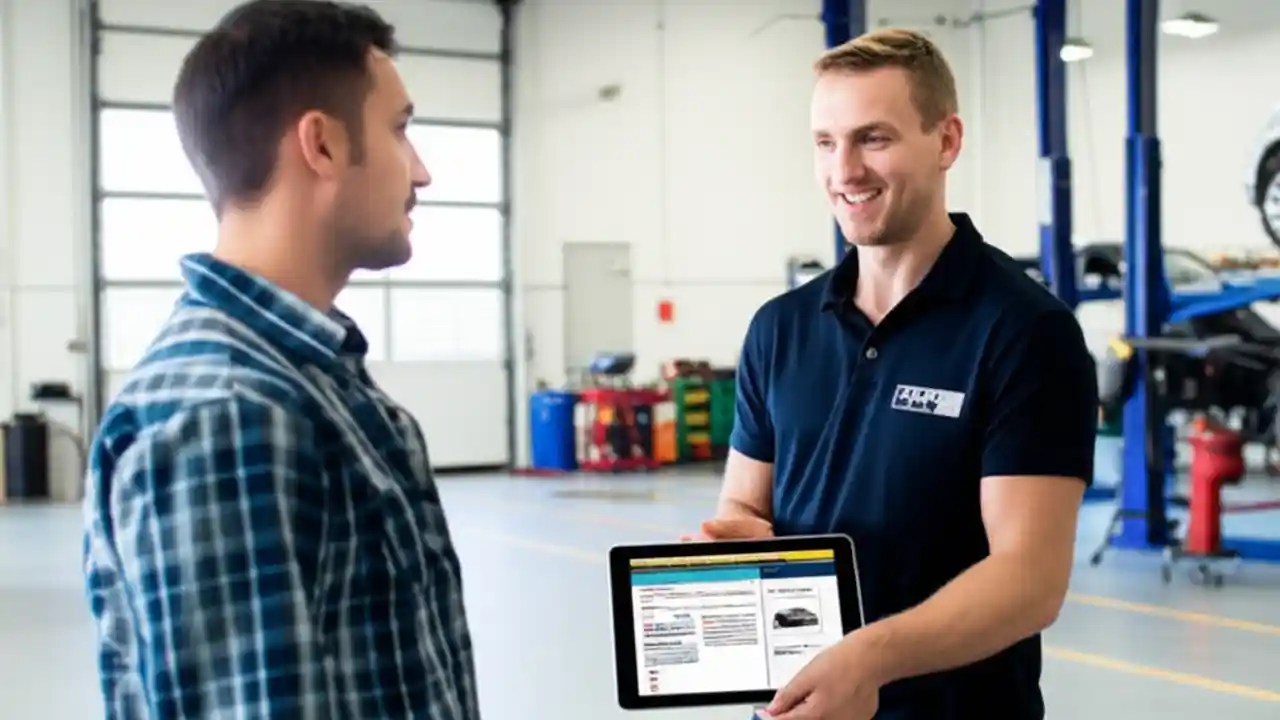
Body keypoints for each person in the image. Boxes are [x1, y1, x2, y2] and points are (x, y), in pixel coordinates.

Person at [81, 2, 480, 718]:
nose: (422, 172)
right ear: (321, 145)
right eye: (400, 130)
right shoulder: (229, 415)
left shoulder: (310, 376)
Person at [687, 29, 1097, 720]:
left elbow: (1030, 579)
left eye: (872, 138)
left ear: (946, 141)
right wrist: (732, 538)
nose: (844, 170)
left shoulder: (1025, 332)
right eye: (825, 142)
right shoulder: (780, 328)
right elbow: (746, 506)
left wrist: (868, 660)